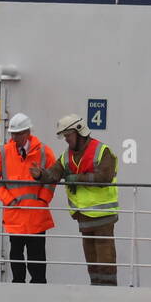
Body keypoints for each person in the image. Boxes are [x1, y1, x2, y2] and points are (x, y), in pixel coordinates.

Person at [34, 113, 119, 286]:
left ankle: (109, 293)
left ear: (80, 132)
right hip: (84, 218)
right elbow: (54, 173)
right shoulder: (67, 156)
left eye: (68, 135)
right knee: (92, 263)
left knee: (106, 262)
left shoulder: (102, 151)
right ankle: (96, 291)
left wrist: (76, 178)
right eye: (64, 136)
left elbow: (105, 177)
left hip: (103, 217)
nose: (66, 140)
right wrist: (41, 175)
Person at [0, 112, 56, 284]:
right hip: (16, 214)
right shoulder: (2, 152)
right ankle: (18, 286)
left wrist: (43, 199)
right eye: (12, 134)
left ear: (27, 133)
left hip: (36, 214)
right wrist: (8, 199)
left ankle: (38, 287)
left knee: (37, 256)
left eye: (17, 134)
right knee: (16, 254)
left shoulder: (44, 152)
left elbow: (53, 178)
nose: (14, 137)